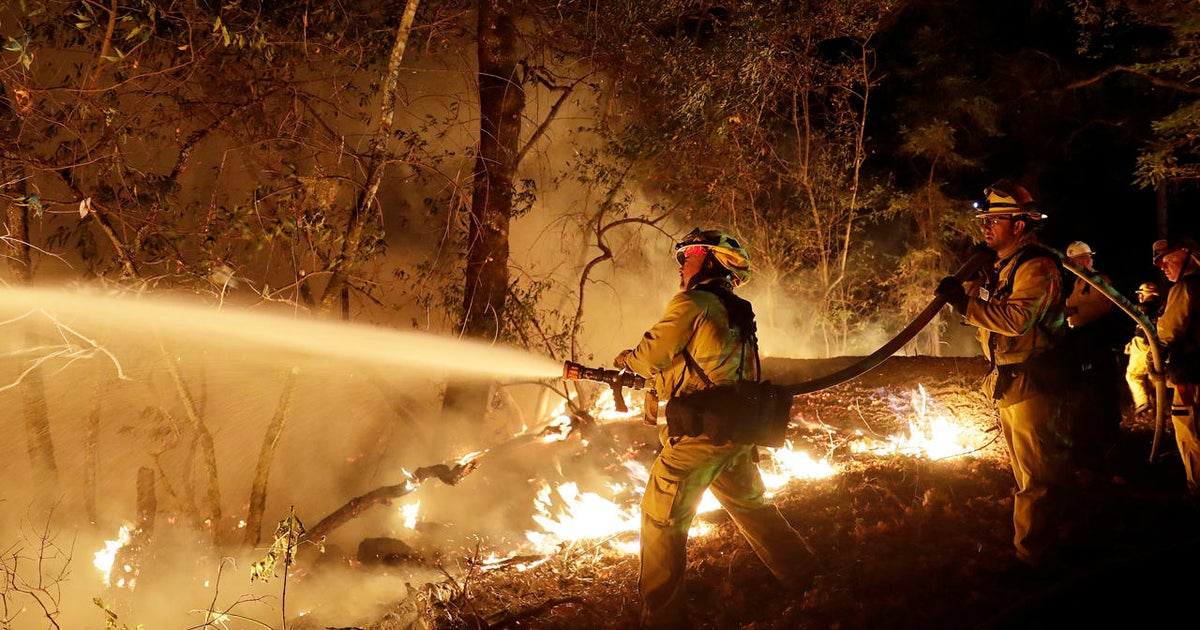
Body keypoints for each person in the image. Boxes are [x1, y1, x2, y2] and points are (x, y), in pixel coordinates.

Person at [614, 227, 816, 629]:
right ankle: (810, 581)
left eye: (688, 256)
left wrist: (627, 360)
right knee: (753, 507)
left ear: (710, 262)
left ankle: (662, 621)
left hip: (701, 436)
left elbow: (649, 357)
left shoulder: (692, 303)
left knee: (661, 518)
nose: (681, 266)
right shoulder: (735, 308)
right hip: (734, 433)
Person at [935, 179, 1072, 572]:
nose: (986, 227)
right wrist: (969, 292)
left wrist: (964, 303)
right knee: (1026, 474)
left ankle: (1036, 560)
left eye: (995, 220)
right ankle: (1039, 549)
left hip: (1034, 383)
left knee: (1036, 478)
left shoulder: (1037, 266)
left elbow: (1015, 319)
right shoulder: (1003, 268)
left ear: (1019, 225)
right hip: (1012, 383)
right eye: (985, 220)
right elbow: (989, 310)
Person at [1060, 240, 1125, 473]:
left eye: (1077, 261)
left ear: (1087, 259)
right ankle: (1087, 449)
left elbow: (1103, 307)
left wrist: (1073, 311)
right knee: (1083, 395)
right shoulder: (1080, 281)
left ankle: (1110, 450)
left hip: (1098, 343)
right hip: (1082, 342)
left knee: (1102, 394)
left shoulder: (1099, 280)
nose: (1074, 266)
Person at [1152, 236, 1200, 499]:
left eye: (1168, 259)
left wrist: (1156, 355)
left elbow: (1168, 334)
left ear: (1188, 254)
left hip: (1192, 380)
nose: (1163, 267)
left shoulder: (1185, 288)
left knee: (1192, 438)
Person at [1125, 281, 1165, 417]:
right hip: (1157, 346)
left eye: (1142, 294)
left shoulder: (1144, 308)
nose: (1140, 296)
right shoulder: (1163, 306)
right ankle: (1157, 412)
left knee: (1133, 375)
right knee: (1153, 379)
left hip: (1143, 344)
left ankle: (1142, 402)